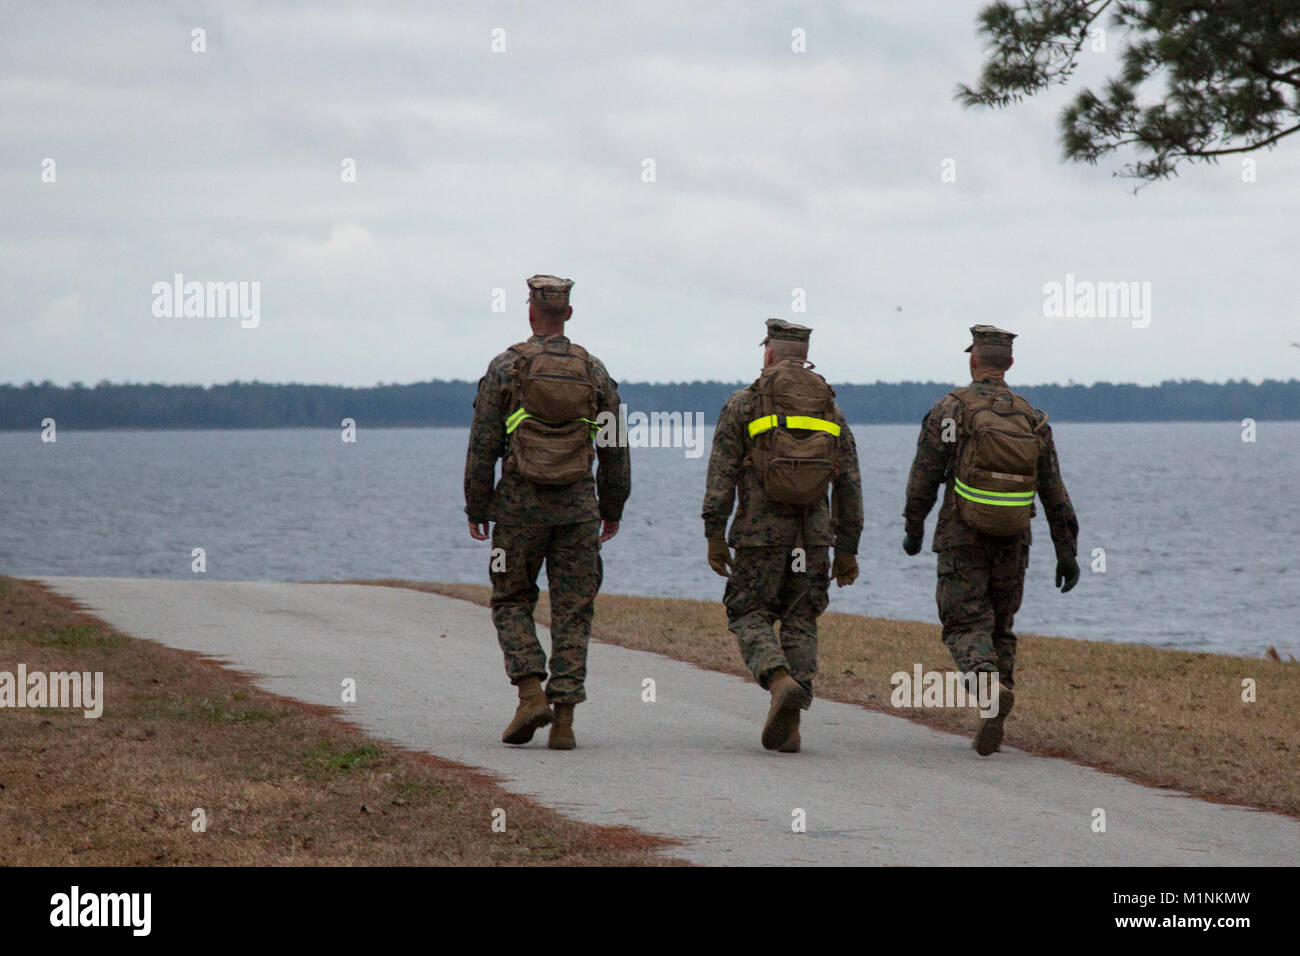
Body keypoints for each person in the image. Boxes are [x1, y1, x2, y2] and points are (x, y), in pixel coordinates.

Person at [464, 274, 630, 750]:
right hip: (579, 511)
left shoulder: (505, 367)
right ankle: (564, 721)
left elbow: (483, 447)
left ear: (531, 312)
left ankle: (530, 692)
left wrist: (478, 505)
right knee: (573, 610)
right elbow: (615, 447)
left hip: (518, 510)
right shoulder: (595, 371)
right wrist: (612, 507)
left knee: (512, 599)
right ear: (569, 315)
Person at [903, 324, 1079, 755]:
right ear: (1011, 363)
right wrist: (1067, 552)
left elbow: (924, 475)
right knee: (1000, 627)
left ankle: (988, 690)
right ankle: (995, 705)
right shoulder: (1033, 419)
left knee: (965, 624)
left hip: (961, 536)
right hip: (1014, 540)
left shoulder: (951, 411)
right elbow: (1054, 491)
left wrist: (914, 527)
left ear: (973, 360)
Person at [702, 318, 863, 753]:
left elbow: (722, 475)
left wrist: (714, 533)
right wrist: (847, 549)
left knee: (748, 611)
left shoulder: (746, 403)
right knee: (800, 618)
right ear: (805, 355)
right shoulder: (830, 408)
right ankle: (791, 722)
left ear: (769, 354)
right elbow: (849, 481)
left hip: (759, 536)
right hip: (812, 540)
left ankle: (777, 679)